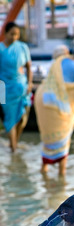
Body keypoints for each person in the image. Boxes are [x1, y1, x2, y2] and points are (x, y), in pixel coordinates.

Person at [34, 44, 74, 176]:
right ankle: (62, 175)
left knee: (47, 139)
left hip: (43, 100)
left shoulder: (59, 61)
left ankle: (44, 170)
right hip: (60, 107)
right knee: (63, 138)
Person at [0, 22, 32, 152]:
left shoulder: (23, 47)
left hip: (21, 86)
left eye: (17, 34)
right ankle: (14, 150)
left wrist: (30, 83)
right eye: (12, 34)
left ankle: (15, 143)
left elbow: (29, 67)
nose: (14, 37)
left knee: (23, 117)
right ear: (5, 33)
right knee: (9, 118)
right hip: (3, 88)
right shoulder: (0, 49)